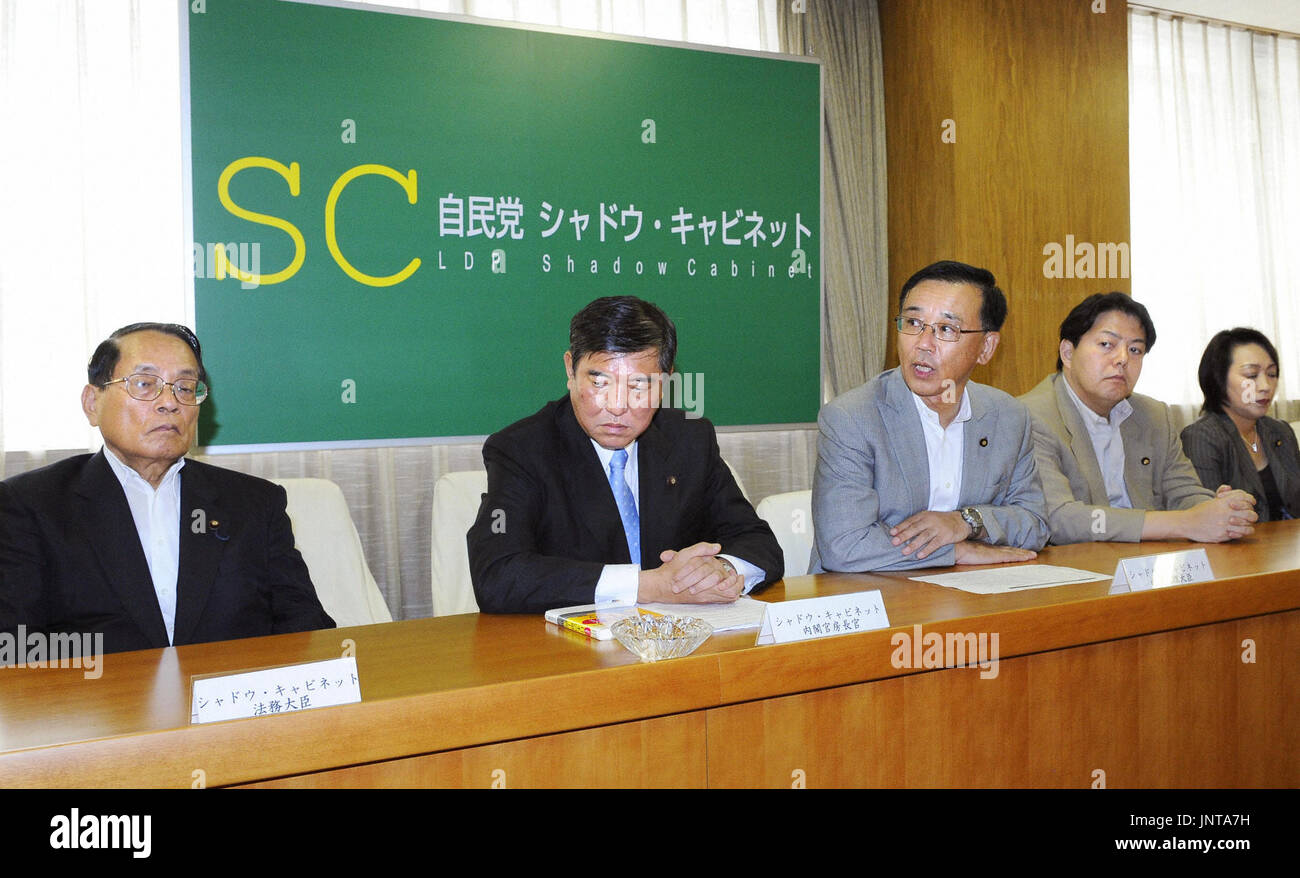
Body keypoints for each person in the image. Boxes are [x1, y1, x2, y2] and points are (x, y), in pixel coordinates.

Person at [0, 323, 335, 655]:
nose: (170, 403)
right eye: (145, 384)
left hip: (232, 700)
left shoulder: (255, 503)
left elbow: (304, 625)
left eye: (186, 388)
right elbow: (14, 647)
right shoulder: (31, 505)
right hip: (99, 704)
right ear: (92, 402)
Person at [468, 295, 783, 614]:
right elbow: (497, 574)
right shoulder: (521, 449)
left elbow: (757, 540)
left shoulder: (689, 439)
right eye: (600, 382)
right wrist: (647, 586)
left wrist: (721, 569)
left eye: (639, 386)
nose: (617, 406)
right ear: (570, 369)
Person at [810, 260, 1048, 573]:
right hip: (871, 602)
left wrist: (966, 522)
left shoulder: (1008, 416)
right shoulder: (851, 418)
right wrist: (956, 551)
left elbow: (1035, 524)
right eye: (912, 323)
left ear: (986, 347)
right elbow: (845, 546)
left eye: (946, 329)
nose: (923, 344)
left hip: (973, 599)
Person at [1020, 292, 1257, 543]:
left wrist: (1219, 511)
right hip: (1075, 568)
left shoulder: (1154, 416)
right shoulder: (1030, 417)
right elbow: (1059, 519)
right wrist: (1184, 522)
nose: (1123, 359)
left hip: (1147, 566)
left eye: (1135, 349)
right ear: (1067, 353)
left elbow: (1184, 493)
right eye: (1106, 345)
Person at [1180, 328, 1300, 522]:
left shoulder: (1280, 431)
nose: (1265, 386)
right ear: (1218, 378)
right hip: (1239, 549)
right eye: (1252, 375)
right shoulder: (1202, 437)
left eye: (1271, 374)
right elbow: (1206, 520)